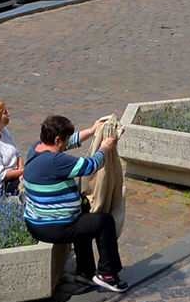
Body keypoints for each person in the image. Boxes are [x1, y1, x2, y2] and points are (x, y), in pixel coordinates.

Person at [23, 114, 126, 292]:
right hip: (54, 226)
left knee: (83, 216)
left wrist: (92, 130)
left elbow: (70, 143)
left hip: (36, 222)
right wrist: (105, 148)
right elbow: (90, 166)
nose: (67, 144)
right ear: (57, 139)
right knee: (105, 222)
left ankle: (85, 274)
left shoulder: (37, 149)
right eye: (65, 140)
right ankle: (109, 275)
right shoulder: (56, 161)